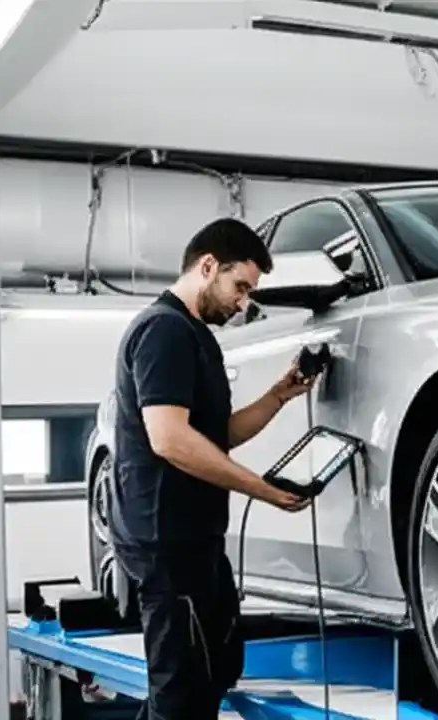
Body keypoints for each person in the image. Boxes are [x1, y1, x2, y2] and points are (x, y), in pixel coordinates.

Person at [108, 217, 315, 718]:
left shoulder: (196, 336)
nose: (244, 303)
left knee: (215, 668)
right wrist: (261, 490)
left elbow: (214, 434)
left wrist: (278, 396)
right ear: (207, 267)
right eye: (239, 286)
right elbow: (170, 439)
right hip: (167, 545)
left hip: (196, 543)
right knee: (180, 697)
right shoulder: (163, 330)